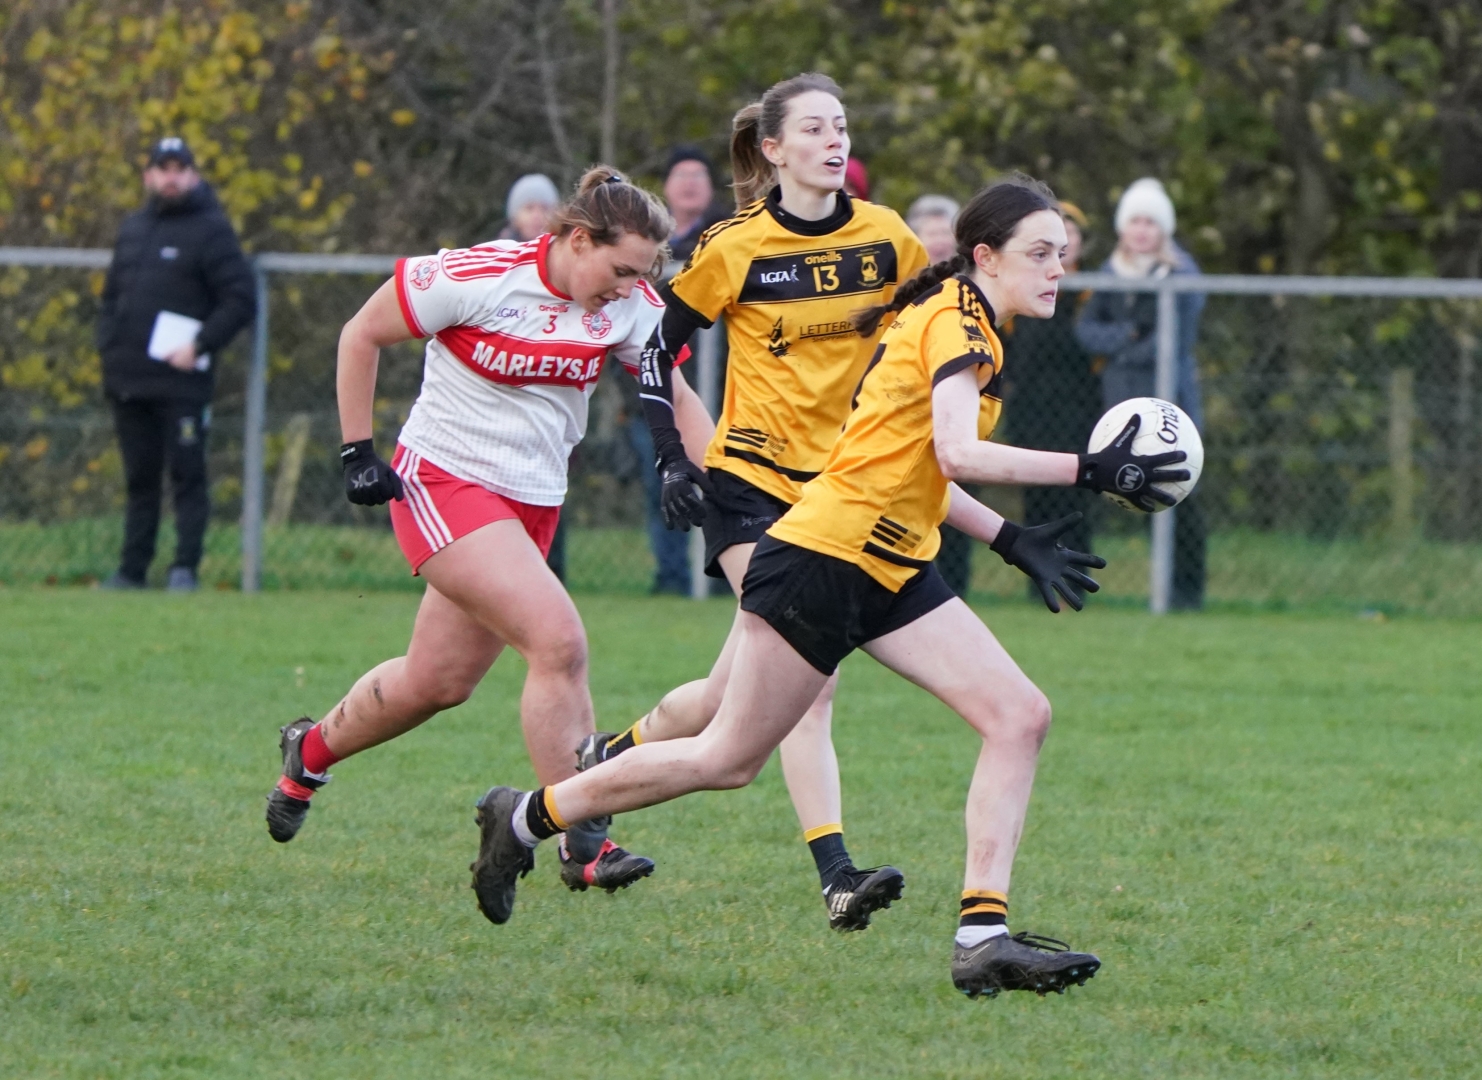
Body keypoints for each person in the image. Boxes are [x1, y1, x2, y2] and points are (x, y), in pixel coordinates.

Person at [470, 177, 1187, 998]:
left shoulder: (966, 317)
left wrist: (1011, 537)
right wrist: (1091, 471)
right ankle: (524, 817)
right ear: (984, 256)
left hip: (888, 565)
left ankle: (983, 938)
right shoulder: (959, 321)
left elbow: (918, 466)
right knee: (726, 758)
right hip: (822, 559)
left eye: (1062, 253)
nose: (1057, 268)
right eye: (1039, 253)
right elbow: (956, 451)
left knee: (1019, 715)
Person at [262, 166, 682, 903]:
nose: (627, 288)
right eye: (619, 269)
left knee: (437, 683)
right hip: (444, 485)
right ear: (576, 239)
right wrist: (357, 450)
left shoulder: (629, 305)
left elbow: (676, 395)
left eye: (640, 275)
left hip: (531, 506)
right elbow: (361, 332)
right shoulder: (476, 275)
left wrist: (707, 476)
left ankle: (309, 751)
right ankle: (586, 842)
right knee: (558, 641)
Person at [578, 74, 929, 932]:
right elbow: (654, 351)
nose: (834, 141)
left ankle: (598, 768)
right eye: (814, 129)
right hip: (752, 490)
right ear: (773, 149)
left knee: (726, 700)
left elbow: (932, 337)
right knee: (811, 687)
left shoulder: (889, 240)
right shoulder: (734, 244)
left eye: (842, 126)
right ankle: (837, 873)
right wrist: (671, 459)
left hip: (841, 492)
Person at [95, 136, 255, 592]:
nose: (170, 177)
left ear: (192, 174)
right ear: (148, 175)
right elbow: (111, 298)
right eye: (162, 168)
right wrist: (108, 345)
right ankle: (131, 570)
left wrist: (199, 345)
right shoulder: (133, 229)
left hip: (182, 384)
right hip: (128, 380)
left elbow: (240, 299)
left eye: (178, 168)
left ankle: (184, 568)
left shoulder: (212, 231)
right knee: (139, 479)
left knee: (187, 475)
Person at [1075, 177, 1208, 608]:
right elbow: (1088, 330)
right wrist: (1128, 337)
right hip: (1122, 401)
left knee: (1181, 498)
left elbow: (1176, 338)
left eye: (1151, 221)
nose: (1142, 230)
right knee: (1126, 492)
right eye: (1135, 220)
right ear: (1122, 227)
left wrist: (1129, 346)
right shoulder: (1110, 274)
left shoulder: (1182, 274)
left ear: (1163, 228)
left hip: (1173, 402)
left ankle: (1185, 593)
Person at [618, 146, 728, 597]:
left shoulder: (723, 243)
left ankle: (725, 578)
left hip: (721, 394)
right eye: (680, 174)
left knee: (726, 486)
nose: (689, 182)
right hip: (656, 392)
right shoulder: (644, 251)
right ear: (665, 187)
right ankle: (671, 579)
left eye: (698, 174)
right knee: (663, 487)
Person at [1001, 201, 1100, 579]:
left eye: (1070, 234)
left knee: (1075, 495)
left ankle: (1078, 572)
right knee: (1035, 495)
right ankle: (1037, 574)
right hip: (1031, 406)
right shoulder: (1022, 291)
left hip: (1078, 408)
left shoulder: (1090, 291)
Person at [495, 174, 574, 582]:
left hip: (550, 400)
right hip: (503, 401)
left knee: (549, 485)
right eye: (529, 207)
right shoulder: (493, 262)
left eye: (545, 208)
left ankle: (549, 571)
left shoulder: (572, 270)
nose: (537, 216)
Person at [908, 193, 976, 593]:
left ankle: (954, 585)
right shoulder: (900, 295)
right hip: (908, 419)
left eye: (943, 233)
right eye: (928, 232)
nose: (936, 241)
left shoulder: (971, 301)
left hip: (955, 421)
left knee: (954, 488)